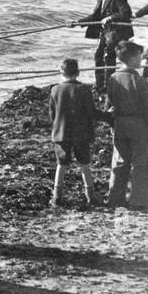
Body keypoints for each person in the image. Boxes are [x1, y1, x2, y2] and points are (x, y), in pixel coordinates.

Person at [105, 41, 148, 212]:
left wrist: (112, 122)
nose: (141, 59)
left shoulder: (113, 77)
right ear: (134, 58)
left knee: (120, 162)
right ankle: (139, 201)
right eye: (139, 56)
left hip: (120, 124)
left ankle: (115, 198)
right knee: (141, 163)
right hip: (139, 125)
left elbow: (108, 105)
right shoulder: (138, 79)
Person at [47, 57, 104, 208]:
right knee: (84, 164)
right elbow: (91, 112)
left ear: (61, 72)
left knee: (61, 165)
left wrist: (56, 126)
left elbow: (52, 115)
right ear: (78, 73)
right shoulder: (84, 89)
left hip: (61, 132)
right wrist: (106, 116)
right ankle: (90, 196)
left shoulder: (55, 89)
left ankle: (57, 197)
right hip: (81, 133)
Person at [73, 0, 134, 98]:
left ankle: (108, 87)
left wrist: (111, 18)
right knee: (98, 56)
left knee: (108, 57)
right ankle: (100, 86)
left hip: (118, 32)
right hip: (106, 32)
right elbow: (95, 17)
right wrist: (76, 23)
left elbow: (126, 13)